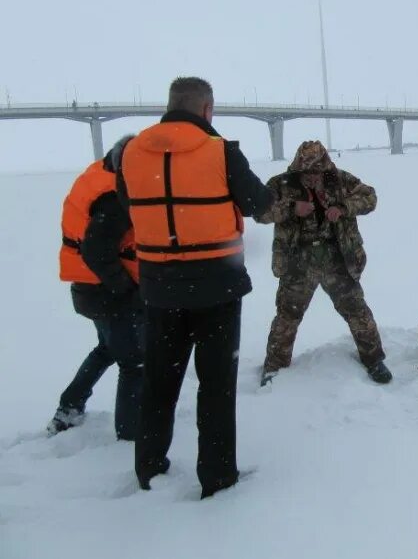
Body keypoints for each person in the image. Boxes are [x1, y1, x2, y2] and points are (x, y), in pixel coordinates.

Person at [116, 77, 273, 498]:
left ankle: (149, 470)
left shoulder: (131, 153)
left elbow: (128, 206)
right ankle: (218, 479)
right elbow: (260, 205)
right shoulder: (221, 151)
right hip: (217, 292)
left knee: (158, 386)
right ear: (207, 109)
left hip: (159, 291)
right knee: (216, 388)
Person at [256, 140, 391, 386]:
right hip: (298, 261)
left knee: (356, 309)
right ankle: (273, 367)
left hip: (337, 258)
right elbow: (259, 211)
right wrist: (291, 208)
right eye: (306, 173)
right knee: (287, 315)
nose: (311, 178)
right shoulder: (280, 184)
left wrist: (343, 207)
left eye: (316, 173)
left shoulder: (340, 179)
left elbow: (369, 197)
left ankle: (374, 359)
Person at [50, 135, 142, 441]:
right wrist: (126, 288)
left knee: (108, 349)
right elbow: (96, 250)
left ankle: (69, 408)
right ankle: (130, 433)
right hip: (105, 291)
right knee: (134, 362)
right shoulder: (113, 196)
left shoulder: (102, 173)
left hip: (90, 288)